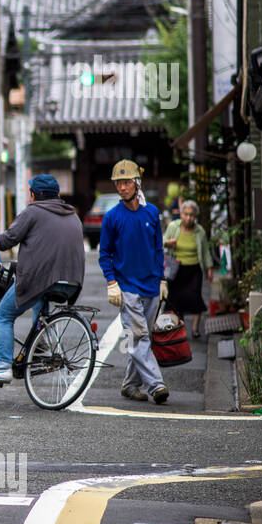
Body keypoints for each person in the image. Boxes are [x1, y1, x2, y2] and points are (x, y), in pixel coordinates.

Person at [0, 174, 86, 385]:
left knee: (4, 314)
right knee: (41, 301)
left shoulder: (32, 212)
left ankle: (2, 367)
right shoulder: (73, 215)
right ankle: (40, 347)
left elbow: (9, 239)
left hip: (40, 279)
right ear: (58, 195)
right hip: (71, 282)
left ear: (33, 195)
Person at [98, 159, 169, 404]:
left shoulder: (152, 213)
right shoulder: (111, 217)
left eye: (126, 182)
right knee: (138, 337)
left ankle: (130, 385)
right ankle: (156, 385)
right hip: (126, 286)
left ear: (137, 183)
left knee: (143, 336)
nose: (121, 188)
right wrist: (111, 282)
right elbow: (104, 254)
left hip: (151, 284)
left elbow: (159, 248)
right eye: (118, 183)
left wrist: (162, 279)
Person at [163, 199, 212, 338]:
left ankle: (195, 328)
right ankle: (179, 327)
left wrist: (208, 269)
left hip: (194, 269)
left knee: (195, 297)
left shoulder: (199, 231)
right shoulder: (173, 227)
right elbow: (162, 242)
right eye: (186, 214)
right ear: (181, 214)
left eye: (191, 215)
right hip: (176, 269)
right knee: (175, 299)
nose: (188, 218)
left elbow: (205, 251)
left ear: (195, 216)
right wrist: (168, 243)